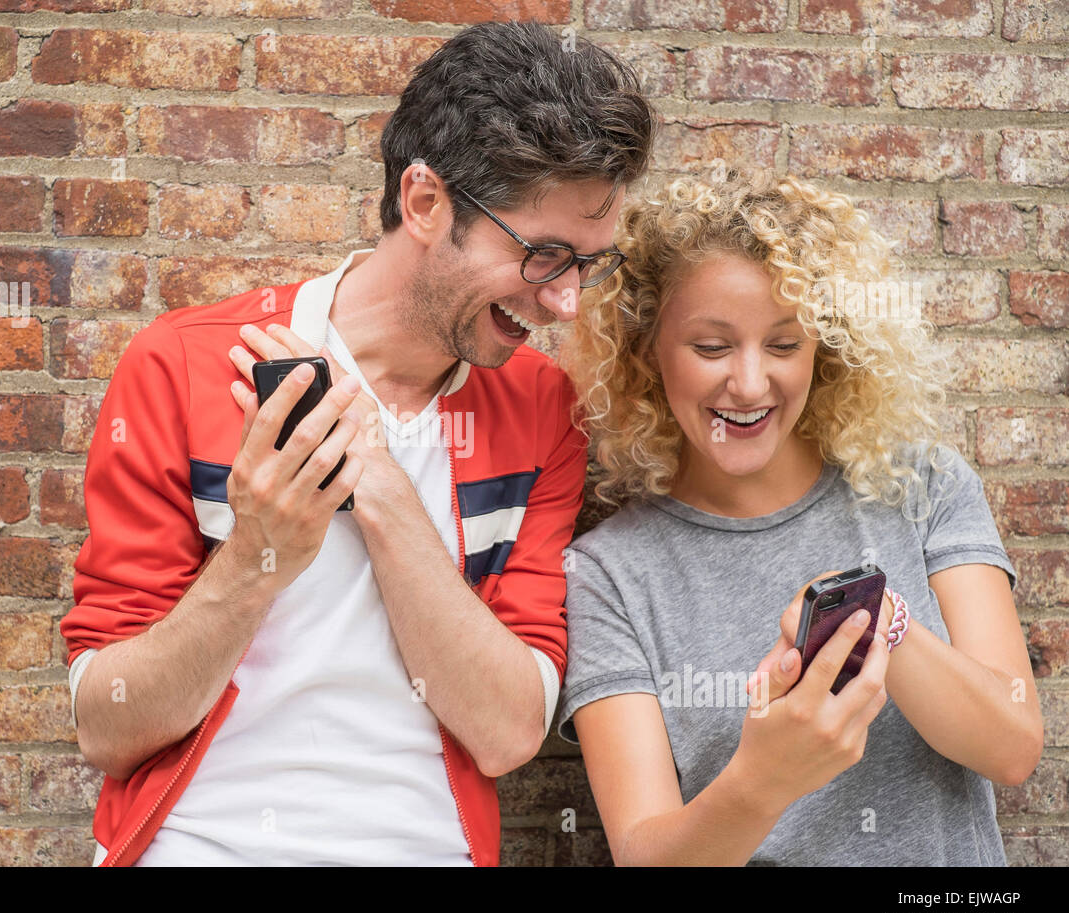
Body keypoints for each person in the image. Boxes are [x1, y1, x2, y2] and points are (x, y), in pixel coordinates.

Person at [59, 19, 656, 866]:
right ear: (424, 202)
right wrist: (258, 549)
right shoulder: (184, 366)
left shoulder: (540, 408)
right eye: (545, 254)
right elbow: (108, 727)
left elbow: (508, 730)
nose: (566, 303)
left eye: (591, 264)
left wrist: (374, 483)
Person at [556, 165, 1043, 866]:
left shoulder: (923, 486)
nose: (750, 383)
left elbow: (1013, 745)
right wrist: (764, 779)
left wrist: (880, 625)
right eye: (712, 346)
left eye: (784, 344)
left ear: (825, 347)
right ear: (647, 350)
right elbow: (645, 854)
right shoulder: (608, 573)